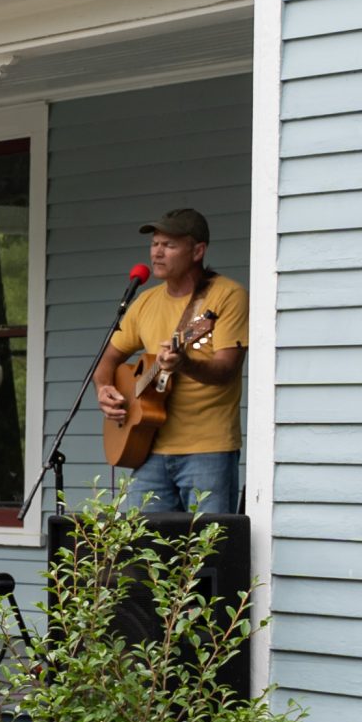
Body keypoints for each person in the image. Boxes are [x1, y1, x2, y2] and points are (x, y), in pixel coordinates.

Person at [92, 208, 250, 515]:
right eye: (155, 244)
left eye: (170, 245)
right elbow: (106, 361)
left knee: (207, 555)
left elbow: (226, 370)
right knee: (140, 551)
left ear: (198, 251)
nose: (157, 252)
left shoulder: (227, 296)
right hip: (148, 448)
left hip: (208, 449)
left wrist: (186, 364)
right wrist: (103, 389)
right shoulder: (145, 300)